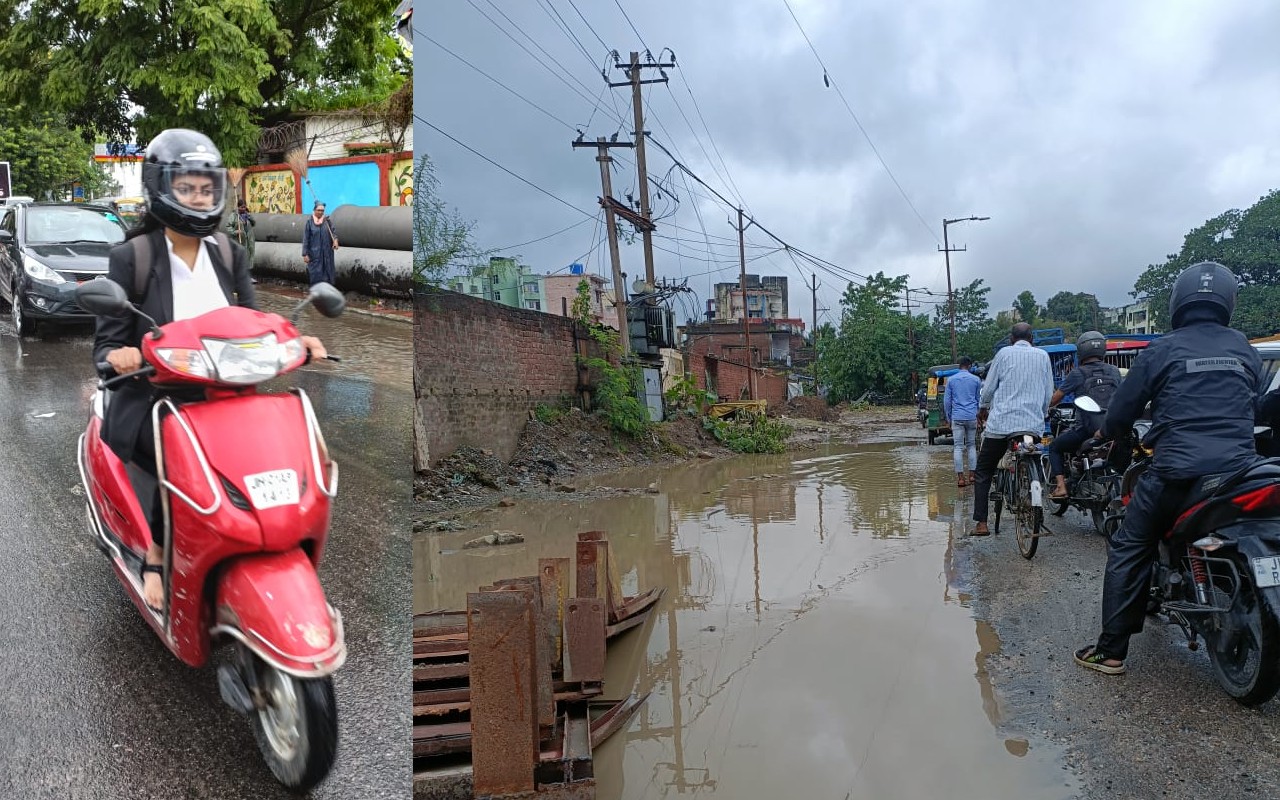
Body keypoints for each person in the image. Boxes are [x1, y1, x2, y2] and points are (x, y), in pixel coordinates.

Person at [93, 128, 326, 613]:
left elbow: (258, 321)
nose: (198, 198)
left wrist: (296, 338)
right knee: (168, 449)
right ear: (162, 188)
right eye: (186, 188)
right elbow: (107, 343)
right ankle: (158, 553)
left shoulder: (227, 252)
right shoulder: (131, 258)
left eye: (205, 188)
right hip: (155, 395)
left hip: (227, 393)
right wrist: (123, 355)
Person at [1076, 262, 1264, 675]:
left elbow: (1123, 409)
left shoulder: (1162, 349)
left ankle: (1111, 651)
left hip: (1179, 471)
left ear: (1179, 301)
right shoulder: (1244, 347)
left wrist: (1107, 430)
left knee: (1130, 545)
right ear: (1227, 301)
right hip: (1239, 470)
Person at [970, 323, 1056, 535]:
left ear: (1011, 339)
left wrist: (983, 408)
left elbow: (988, 388)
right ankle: (1037, 504)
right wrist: (1042, 412)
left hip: (1001, 425)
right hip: (1032, 425)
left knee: (983, 470)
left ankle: (981, 523)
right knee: (1033, 457)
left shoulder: (1003, 353)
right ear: (1032, 339)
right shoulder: (1043, 356)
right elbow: (1048, 392)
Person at [1047, 331, 1123, 498]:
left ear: (1081, 351)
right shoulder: (1113, 371)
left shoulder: (1077, 373)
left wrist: (1045, 407)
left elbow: (1055, 399)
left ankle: (1061, 487)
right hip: (1113, 427)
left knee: (1054, 447)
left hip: (1087, 429)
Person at [943, 356, 982, 487]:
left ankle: (960, 479)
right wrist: (979, 416)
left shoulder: (951, 380)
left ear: (959, 365)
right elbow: (978, 400)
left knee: (958, 447)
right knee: (971, 446)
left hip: (957, 417)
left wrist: (948, 418)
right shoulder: (976, 380)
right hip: (971, 417)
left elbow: (947, 402)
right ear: (970, 366)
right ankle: (972, 476)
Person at [302, 201, 339, 287]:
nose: (320, 212)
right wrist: (305, 254)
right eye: (318, 210)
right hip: (314, 254)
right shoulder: (310, 223)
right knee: (316, 274)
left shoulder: (327, 221)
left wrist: (335, 241)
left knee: (328, 272)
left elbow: (333, 233)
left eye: (322, 210)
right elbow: (306, 238)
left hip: (327, 253)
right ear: (314, 210)